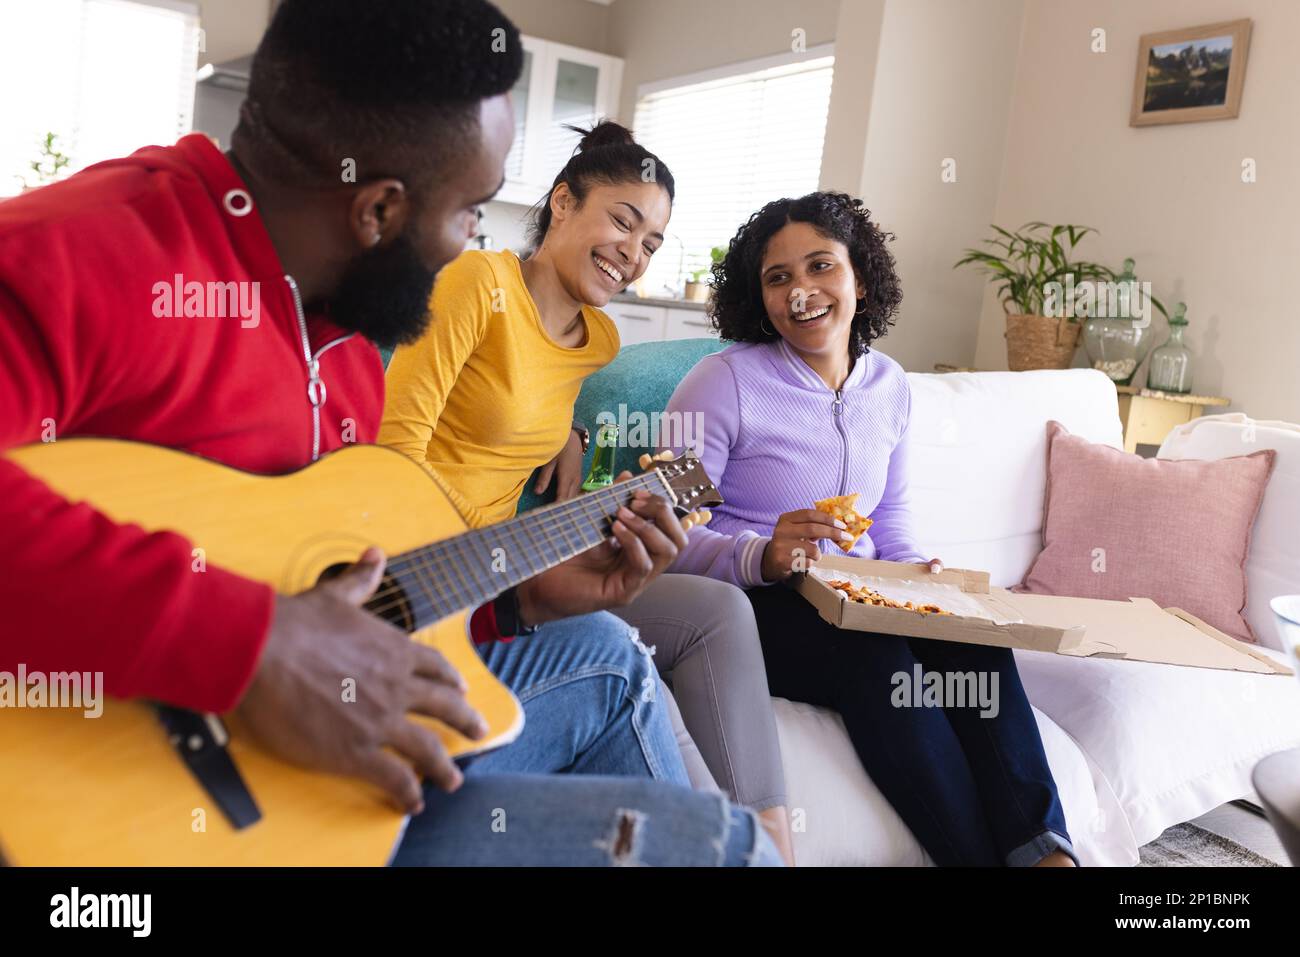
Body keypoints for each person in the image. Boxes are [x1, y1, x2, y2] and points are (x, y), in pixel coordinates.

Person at [0, 0, 778, 867]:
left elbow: (348, 600)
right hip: (112, 823)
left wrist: (518, 599)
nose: (473, 243)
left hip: (297, 785)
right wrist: (250, 644)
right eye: (470, 212)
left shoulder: (348, 350)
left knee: (605, 659)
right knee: (719, 847)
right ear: (378, 210)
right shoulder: (86, 254)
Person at [379, 121, 795, 864]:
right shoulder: (478, 282)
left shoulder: (599, 340)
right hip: (426, 587)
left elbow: (528, 399)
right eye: (623, 221)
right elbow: (391, 450)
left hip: (495, 587)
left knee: (633, 636)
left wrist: (568, 438)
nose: (633, 253)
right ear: (563, 202)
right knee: (613, 655)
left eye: (653, 243)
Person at [663, 191, 1077, 867]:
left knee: (973, 646)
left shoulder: (890, 385)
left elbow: (890, 520)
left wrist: (921, 577)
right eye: (778, 278)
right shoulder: (718, 382)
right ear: (758, 297)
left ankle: (1047, 853)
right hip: (756, 601)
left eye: (821, 266)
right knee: (878, 662)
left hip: (860, 594)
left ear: (860, 275)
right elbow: (666, 532)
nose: (802, 291)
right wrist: (761, 555)